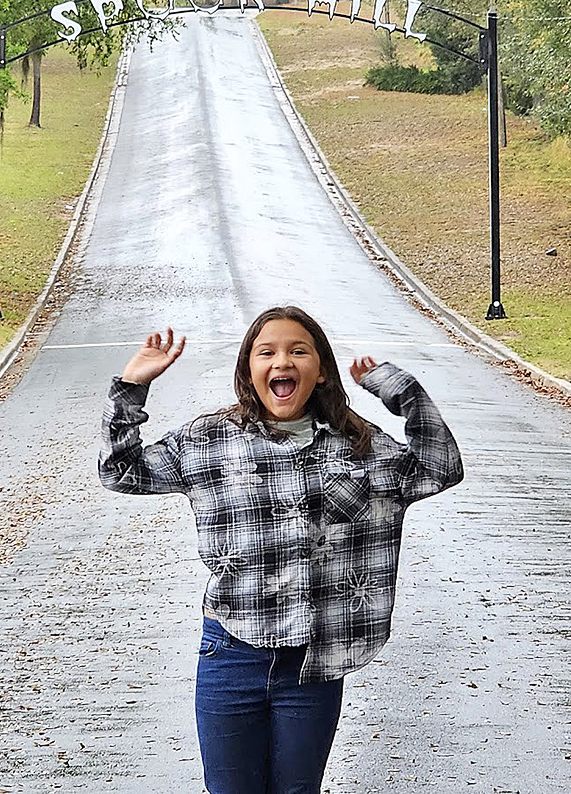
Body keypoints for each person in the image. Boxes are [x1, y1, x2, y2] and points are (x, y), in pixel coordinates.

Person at [99, 305, 464, 794]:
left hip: (311, 663)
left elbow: (439, 467)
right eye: (266, 352)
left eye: (298, 351)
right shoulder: (208, 441)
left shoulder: (358, 445)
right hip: (230, 652)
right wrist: (131, 386)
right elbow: (119, 471)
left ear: (320, 371)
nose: (282, 362)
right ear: (249, 370)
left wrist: (401, 392)